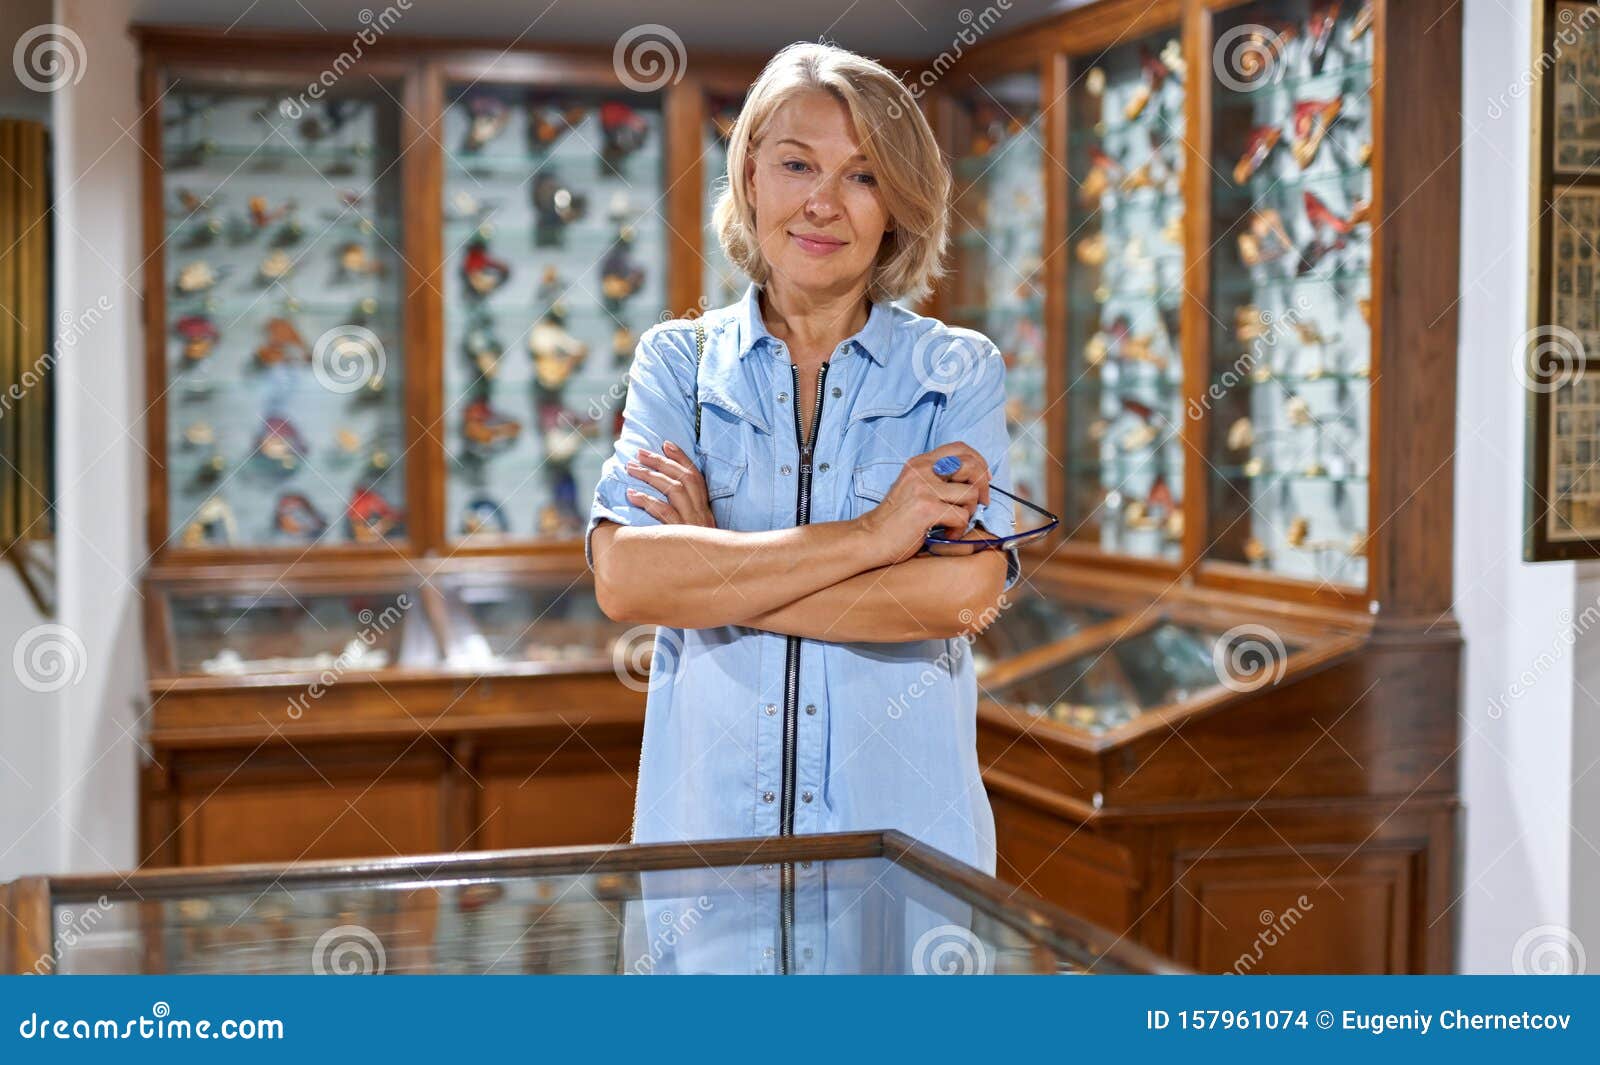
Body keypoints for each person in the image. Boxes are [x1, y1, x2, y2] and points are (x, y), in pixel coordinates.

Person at [586, 41, 1019, 875]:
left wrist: (711, 573)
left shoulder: (957, 371)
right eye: (796, 164)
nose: (823, 203)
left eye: (862, 176)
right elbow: (629, 580)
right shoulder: (677, 362)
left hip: (910, 872)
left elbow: (965, 595)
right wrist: (876, 537)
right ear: (750, 177)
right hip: (707, 869)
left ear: (898, 204)